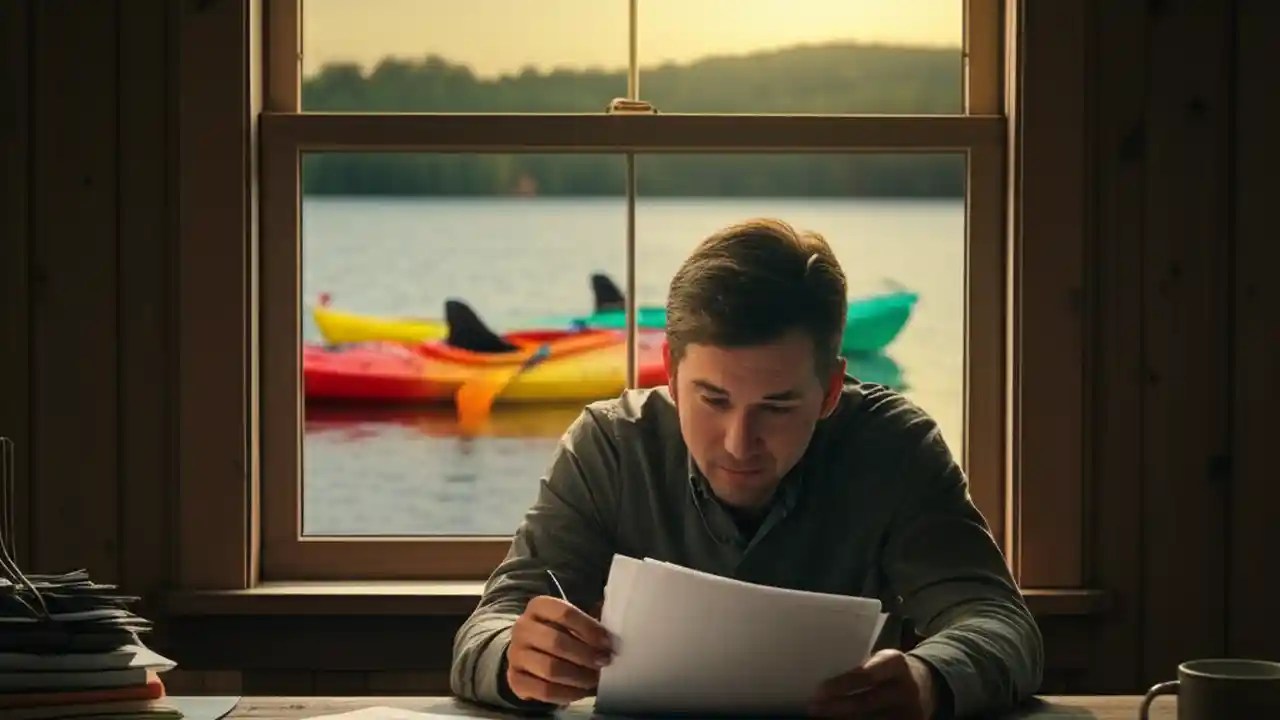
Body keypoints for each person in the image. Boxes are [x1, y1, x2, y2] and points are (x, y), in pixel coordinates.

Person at [450, 218, 1043, 719]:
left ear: (830, 389)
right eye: (713, 399)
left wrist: (927, 680)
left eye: (777, 406)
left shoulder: (894, 449)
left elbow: (1000, 623)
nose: (740, 443)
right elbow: (488, 627)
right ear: (670, 373)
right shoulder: (610, 447)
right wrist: (515, 659)